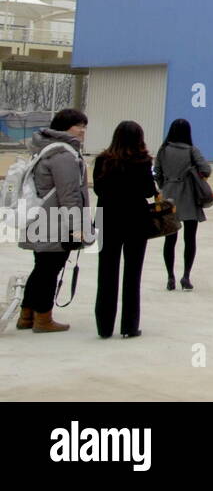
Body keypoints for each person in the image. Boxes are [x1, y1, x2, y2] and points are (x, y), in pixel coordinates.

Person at [16, 108, 90, 334]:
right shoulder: (63, 155)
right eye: (79, 126)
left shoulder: (45, 149)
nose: (83, 132)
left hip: (42, 218)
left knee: (41, 267)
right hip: (56, 222)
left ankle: (27, 315)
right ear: (65, 127)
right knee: (49, 269)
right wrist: (77, 228)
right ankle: (43, 318)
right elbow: (69, 194)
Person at [93, 121, 156, 339]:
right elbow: (149, 191)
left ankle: (104, 326)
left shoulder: (103, 159)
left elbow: (98, 189)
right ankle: (129, 326)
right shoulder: (143, 161)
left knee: (106, 272)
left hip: (107, 217)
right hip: (135, 219)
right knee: (132, 273)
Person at [155, 118, 212, 291]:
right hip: (188, 196)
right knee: (190, 238)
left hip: (169, 195)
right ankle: (186, 275)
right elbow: (206, 169)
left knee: (169, 238)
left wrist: (164, 186)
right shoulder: (192, 150)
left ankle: (170, 276)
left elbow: (156, 172)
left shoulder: (163, 150)